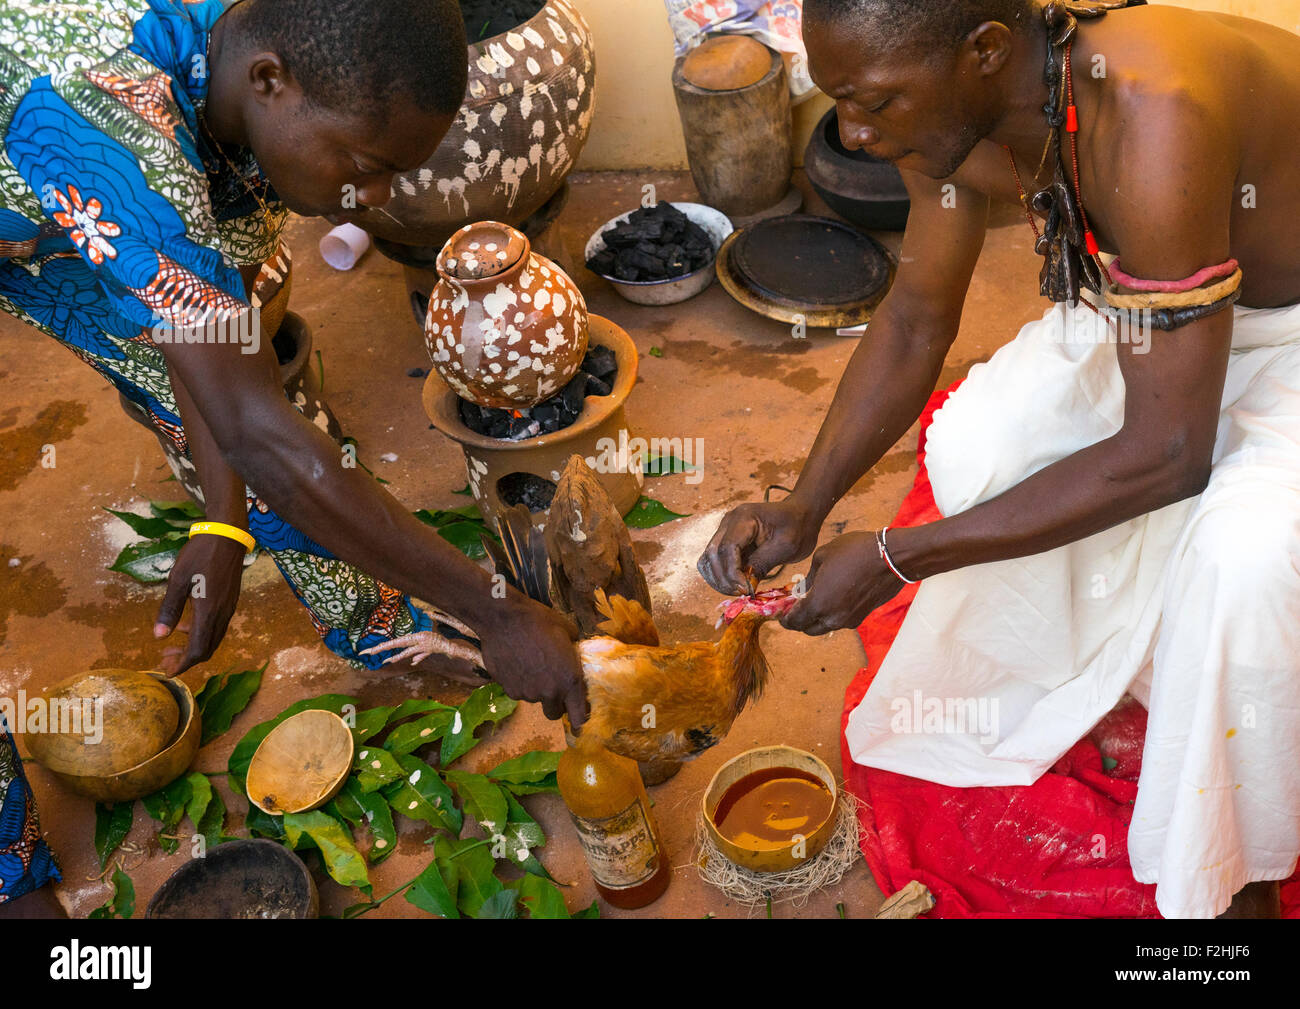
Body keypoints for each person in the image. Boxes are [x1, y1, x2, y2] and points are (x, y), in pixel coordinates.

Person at [700, 0, 1300, 918]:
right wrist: (806, 506)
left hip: (1286, 327)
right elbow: (912, 321)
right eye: (841, 99)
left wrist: (902, 555)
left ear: (984, 51)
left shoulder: (1149, 112)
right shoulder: (941, 111)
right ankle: (1106, 664)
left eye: (872, 102)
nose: (852, 133)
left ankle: (1234, 872)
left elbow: (1169, 452)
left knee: (1241, 562)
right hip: (1162, 315)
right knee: (989, 438)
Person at [0, 0, 584, 912]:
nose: (379, 197)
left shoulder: (248, 93)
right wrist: (499, 610)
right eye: (368, 165)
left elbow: (217, 342)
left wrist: (220, 515)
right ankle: (18, 892)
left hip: (68, 189)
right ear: (270, 82)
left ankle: (375, 616)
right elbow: (256, 429)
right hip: (44, 154)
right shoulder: (110, 113)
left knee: (263, 408)